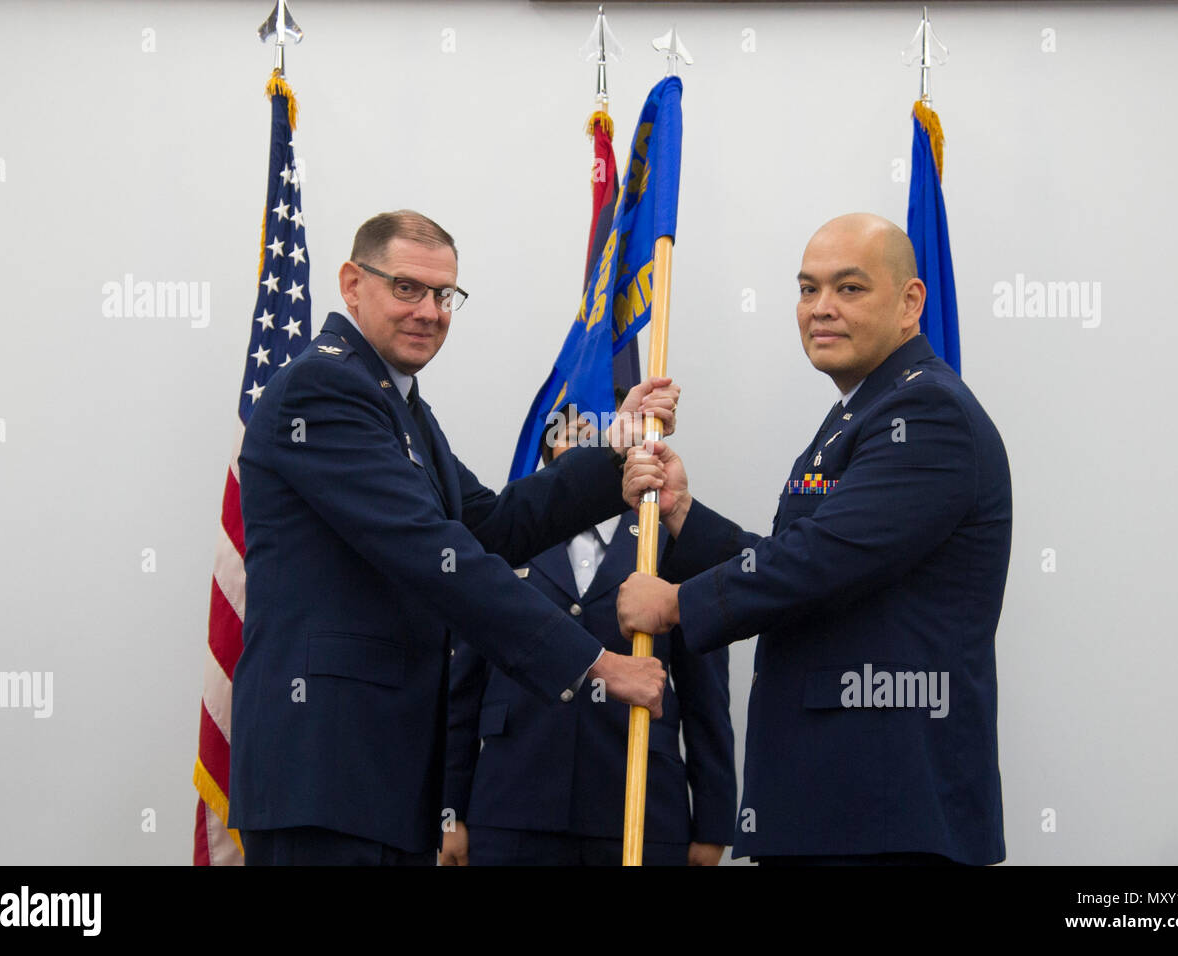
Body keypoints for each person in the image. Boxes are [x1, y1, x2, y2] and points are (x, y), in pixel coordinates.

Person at [229, 209, 677, 865]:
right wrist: (596, 664)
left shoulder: (397, 401)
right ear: (353, 284)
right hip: (326, 772)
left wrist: (615, 453)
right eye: (407, 287)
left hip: (376, 778)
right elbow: (437, 559)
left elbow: (492, 527)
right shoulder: (326, 389)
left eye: (445, 295)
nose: (430, 311)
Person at [617, 213, 1012, 865]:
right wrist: (686, 516)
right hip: (837, 806)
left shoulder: (927, 414)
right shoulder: (863, 412)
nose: (820, 309)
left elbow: (822, 562)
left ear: (912, 302)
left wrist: (676, 604)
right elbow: (813, 560)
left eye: (849, 289)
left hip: (884, 811)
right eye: (807, 289)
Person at [439, 402, 736, 867]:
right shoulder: (504, 542)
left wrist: (713, 825)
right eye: (578, 433)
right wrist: (449, 812)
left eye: (608, 433)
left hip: (637, 807)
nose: (594, 444)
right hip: (512, 806)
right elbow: (460, 690)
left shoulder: (673, 546)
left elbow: (707, 697)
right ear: (549, 452)